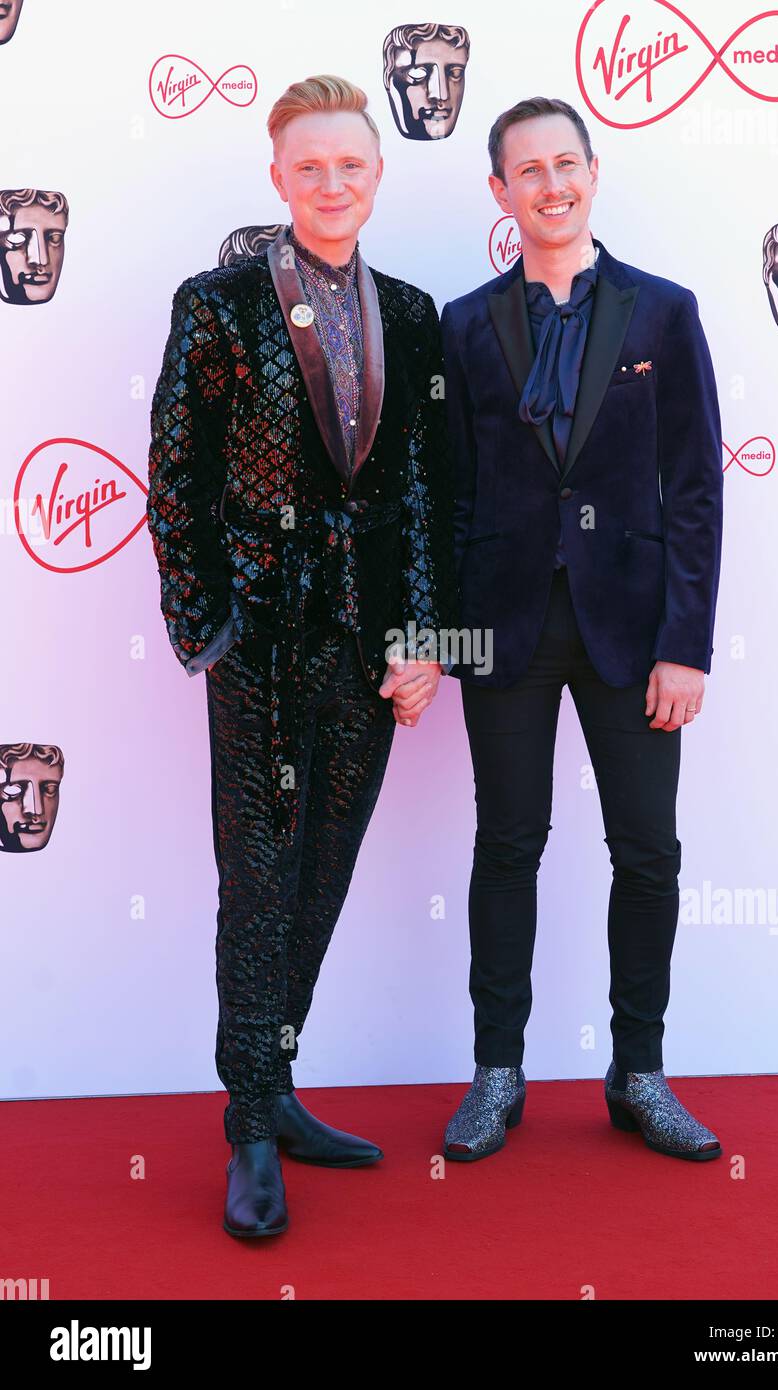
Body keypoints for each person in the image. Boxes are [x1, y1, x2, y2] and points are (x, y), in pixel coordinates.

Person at [147, 74, 458, 1236]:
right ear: (277, 177)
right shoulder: (218, 301)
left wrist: (423, 637)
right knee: (260, 883)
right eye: (310, 165)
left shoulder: (414, 315)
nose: (332, 182)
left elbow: (425, 486)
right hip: (260, 648)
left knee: (321, 873)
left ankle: (276, 1089)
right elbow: (174, 475)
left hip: (369, 648)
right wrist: (208, 628)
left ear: (378, 177)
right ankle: (248, 1131)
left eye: (352, 165)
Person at [440, 96, 724, 1163]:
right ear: (500, 191)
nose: (551, 185)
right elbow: (448, 494)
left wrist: (687, 641)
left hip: (636, 628)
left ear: (593, 173)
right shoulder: (466, 325)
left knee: (647, 851)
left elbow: (695, 487)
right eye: (529, 170)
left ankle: (638, 1071)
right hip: (501, 629)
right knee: (506, 845)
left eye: (568, 163)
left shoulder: (662, 311)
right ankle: (497, 1074)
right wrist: (440, 637)